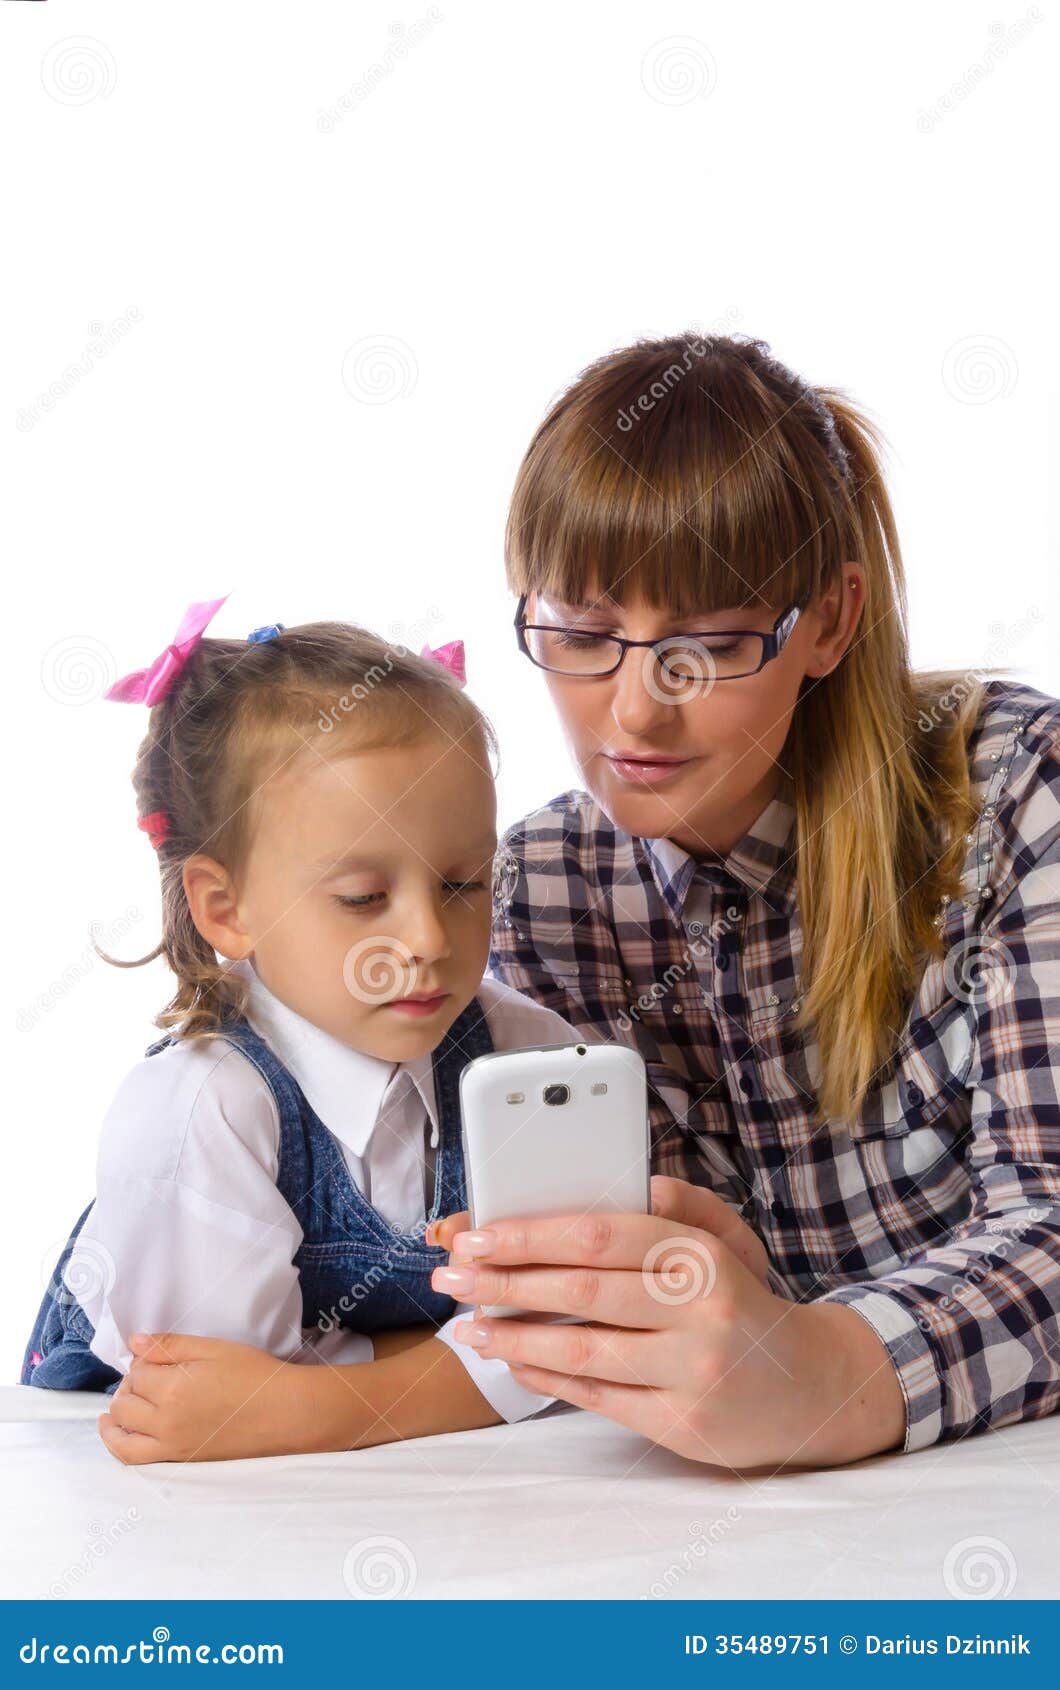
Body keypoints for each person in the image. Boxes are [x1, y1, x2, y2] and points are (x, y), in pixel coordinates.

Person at [97, 333, 1060, 1469]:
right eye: (583, 634)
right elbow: (562, 1316)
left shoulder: (1006, 793)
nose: (635, 715)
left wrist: (834, 1371)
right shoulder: (531, 887)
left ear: (832, 624)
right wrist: (720, 1286)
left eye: (706, 643)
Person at [23, 605, 574, 1451]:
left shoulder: (527, 1058)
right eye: (362, 898)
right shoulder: (197, 1110)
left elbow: (573, 1334)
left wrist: (336, 1395)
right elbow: (221, 1406)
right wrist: (459, 1359)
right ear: (226, 909)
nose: (429, 940)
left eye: (463, 884)